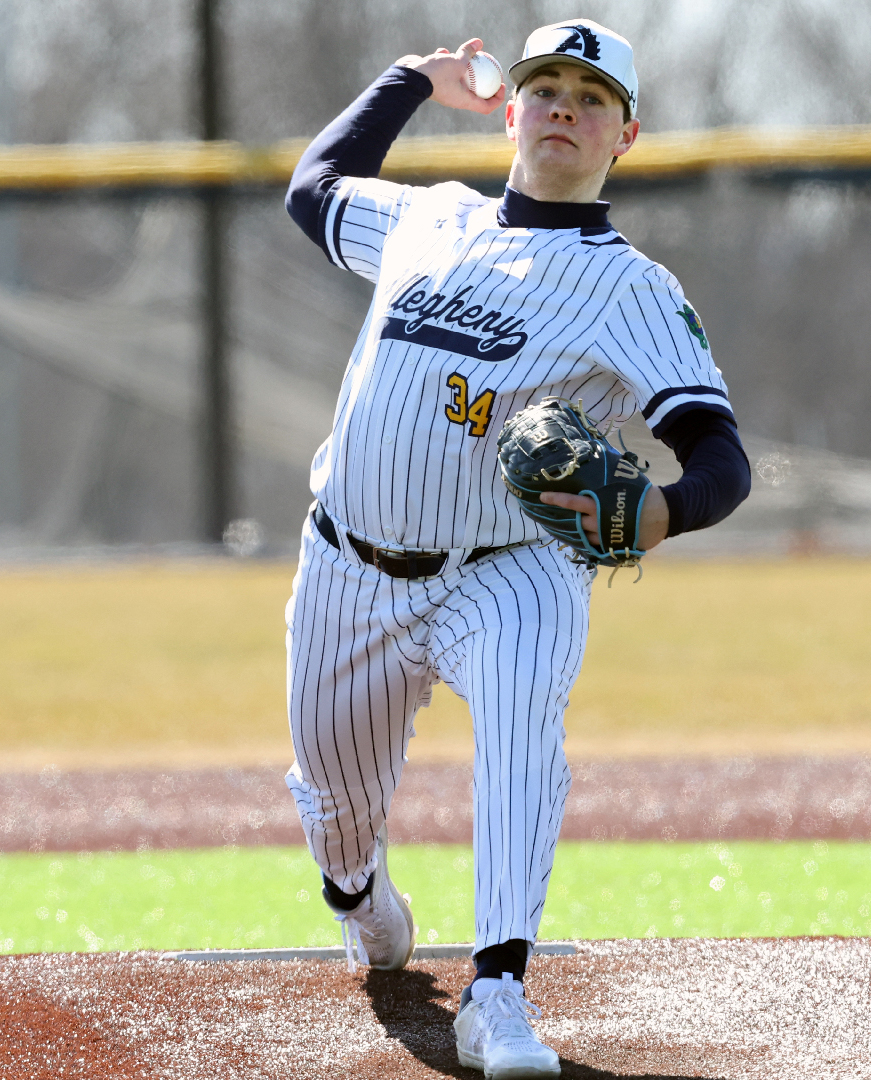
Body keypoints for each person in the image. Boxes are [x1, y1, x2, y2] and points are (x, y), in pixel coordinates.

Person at [281, 19, 751, 1078]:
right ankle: (361, 896)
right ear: (510, 110)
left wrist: (660, 513)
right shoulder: (426, 222)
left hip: (508, 569)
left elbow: (719, 455)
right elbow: (313, 188)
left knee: (525, 708)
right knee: (335, 809)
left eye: (591, 101)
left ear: (625, 136)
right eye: (546, 91)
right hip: (347, 567)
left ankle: (499, 990)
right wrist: (410, 79)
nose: (563, 113)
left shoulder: (632, 289)